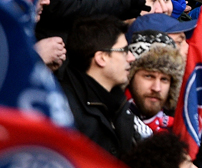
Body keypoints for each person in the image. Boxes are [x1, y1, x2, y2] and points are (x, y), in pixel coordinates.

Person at [59, 16, 150, 156]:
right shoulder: (64, 109)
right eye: (124, 50)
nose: (131, 57)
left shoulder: (116, 101)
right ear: (101, 58)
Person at [126, 43, 183, 133]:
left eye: (164, 79)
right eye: (149, 76)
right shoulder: (112, 120)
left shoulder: (178, 129)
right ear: (130, 77)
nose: (156, 88)